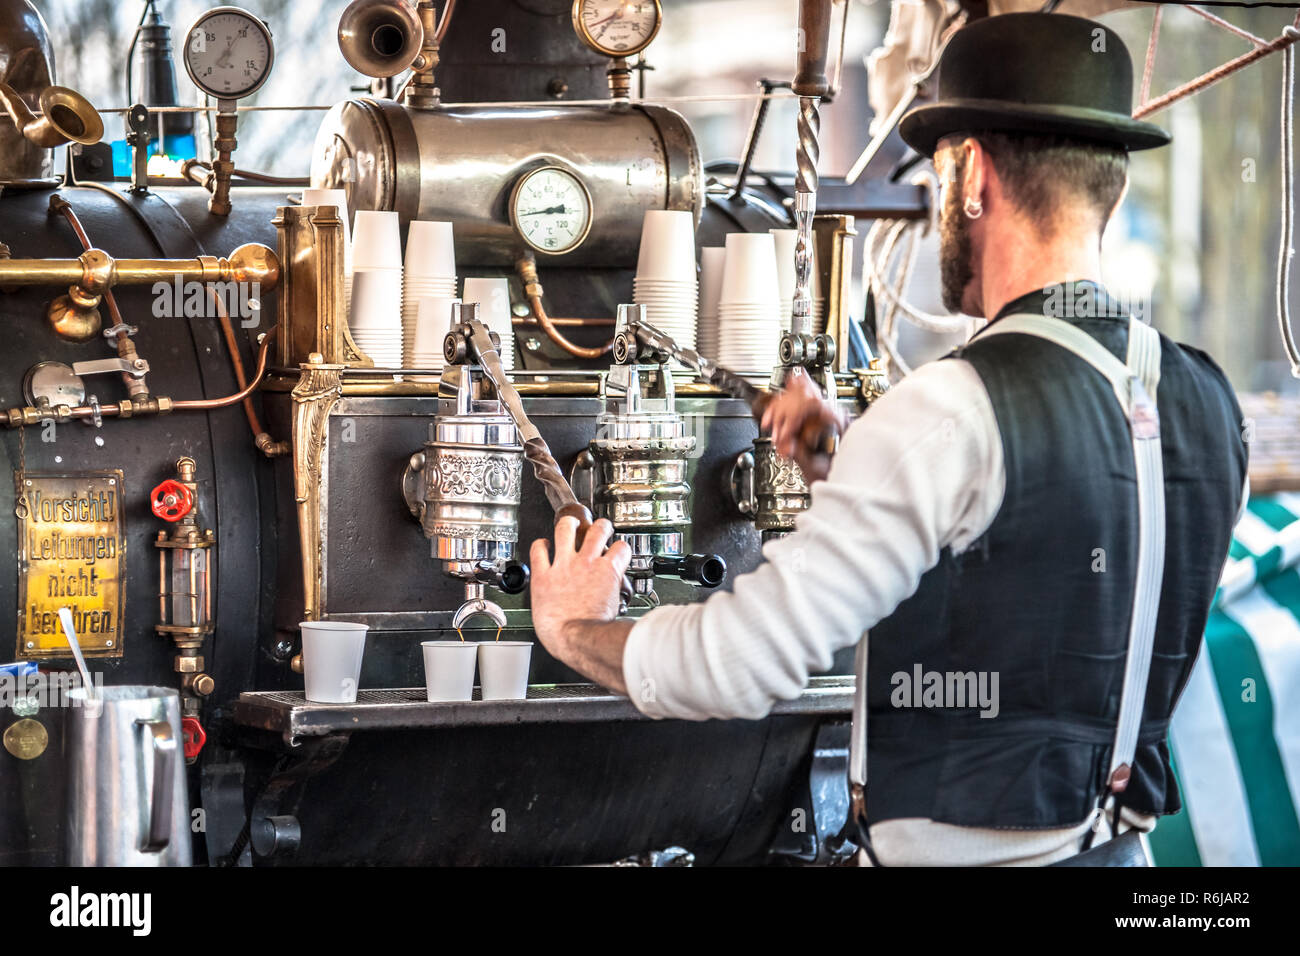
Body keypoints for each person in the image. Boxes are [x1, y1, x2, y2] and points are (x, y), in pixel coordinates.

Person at [528, 12, 1249, 865]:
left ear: (971, 174)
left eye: (941, 176)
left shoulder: (949, 408)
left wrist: (575, 629)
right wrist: (851, 461)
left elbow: (733, 666)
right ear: (1112, 192)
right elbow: (1056, 555)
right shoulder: (1210, 401)